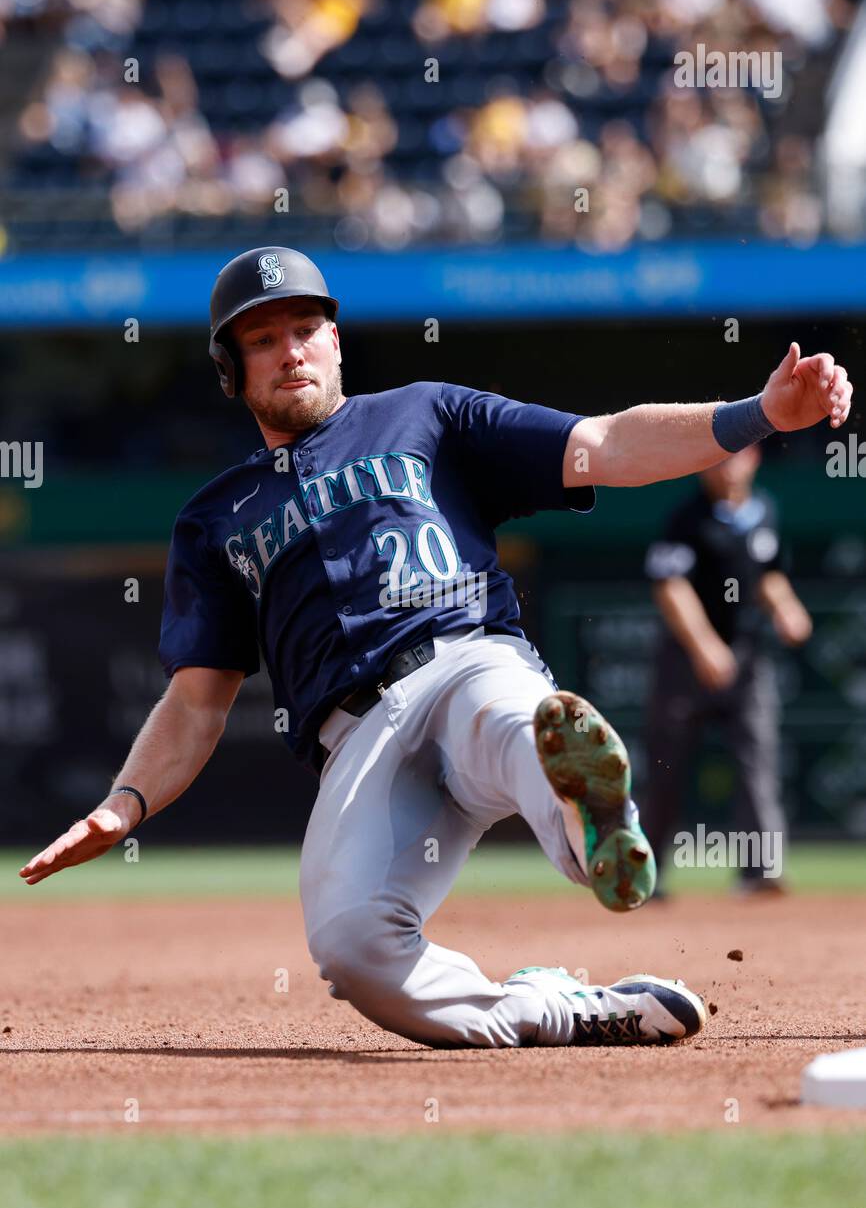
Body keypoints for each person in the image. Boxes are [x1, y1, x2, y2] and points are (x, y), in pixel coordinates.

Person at [20, 247, 852, 1051]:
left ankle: (592, 819)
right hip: (356, 742)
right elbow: (198, 701)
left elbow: (604, 444)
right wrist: (123, 803)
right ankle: (556, 1008)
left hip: (464, 658)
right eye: (263, 340)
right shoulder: (214, 518)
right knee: (353, 950)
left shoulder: (426, 414)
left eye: (305, 328)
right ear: (231, 370)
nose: (290, 351)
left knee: (513, 719)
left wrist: (759, 415)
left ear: (336, 341)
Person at [642, 445, 812, 898]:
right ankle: (643, 875)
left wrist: (787, 608)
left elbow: (769, 575)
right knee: (664, 769)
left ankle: (761, 874)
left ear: (753, 460)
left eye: (735, 456)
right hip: (685, 663)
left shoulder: (764, 512)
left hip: (749, 658)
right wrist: (704, 646)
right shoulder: (686, 518)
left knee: (760, 762)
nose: (726, 465)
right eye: (717, 457)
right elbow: (670, 586)